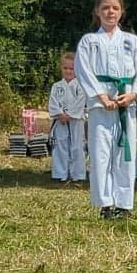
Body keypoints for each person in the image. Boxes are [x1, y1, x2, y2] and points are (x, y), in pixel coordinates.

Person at [75, 0, 137, 219]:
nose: (110, 12)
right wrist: (101, 96)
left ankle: (124, 204)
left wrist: (133, 94)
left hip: (125, 103)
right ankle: (105, 203)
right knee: (101, 153)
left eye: (115, 8)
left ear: (122, 12)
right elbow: (83, 70)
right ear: (97, 11)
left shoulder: (132, 41)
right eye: (105, 8)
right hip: (101, 105)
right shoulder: (89, 41)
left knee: (125, 154)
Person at [47, 53, 86, 183]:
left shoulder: (80, 85)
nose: (68, 71)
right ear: (61, 69)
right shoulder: (57, 86)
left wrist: (70, 115)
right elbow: (53, 102)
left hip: (76, 120)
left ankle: (78, 174)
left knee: (77, 146)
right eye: (65, 68)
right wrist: (60, 114)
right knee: (60, 145)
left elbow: (81, 102)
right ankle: (60, 173)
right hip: (60, 119)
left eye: (72, 68)